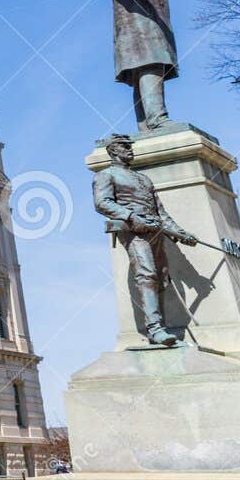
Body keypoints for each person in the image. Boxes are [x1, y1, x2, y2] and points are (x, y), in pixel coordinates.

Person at [93, 134, 198, 346]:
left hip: (155, 231)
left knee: (161, 276)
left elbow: (161, 213)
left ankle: (162, 326)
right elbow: (102, 203)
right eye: (124, 147)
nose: (130, 150)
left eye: (129, 146)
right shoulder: (105, 175)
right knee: (146, 273)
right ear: (113, 151)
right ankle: (155, 328)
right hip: (133, 231)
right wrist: (132, 217)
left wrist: (181, 233)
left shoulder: (143, 179)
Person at [103, 0, 181, 132]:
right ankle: (158, 119)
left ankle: (147, 125)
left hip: (145, 27)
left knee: (146, 73)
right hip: (137, 28)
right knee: (150, 66)